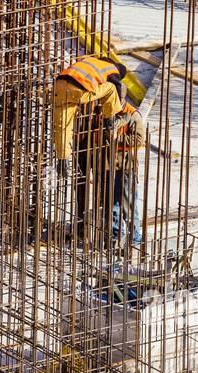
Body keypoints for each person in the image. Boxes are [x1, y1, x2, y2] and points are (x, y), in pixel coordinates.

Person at [51, 55, 128, 239]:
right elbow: (116, 88)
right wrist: (111, 117)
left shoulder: (90, 61)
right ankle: (110, 119)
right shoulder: (112, 71)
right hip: (78, 90)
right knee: (109, 90)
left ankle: (62, 158)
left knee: (63, 126)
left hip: (59, 86)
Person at [110, 92, 147, 247]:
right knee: (113, 205)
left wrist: (115, 138)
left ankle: (135, 238)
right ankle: (116, 235)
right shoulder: (109, 112)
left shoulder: (133, 115)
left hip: (127, 167)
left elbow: (139, 141)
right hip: (111, 166)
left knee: (129, 204)